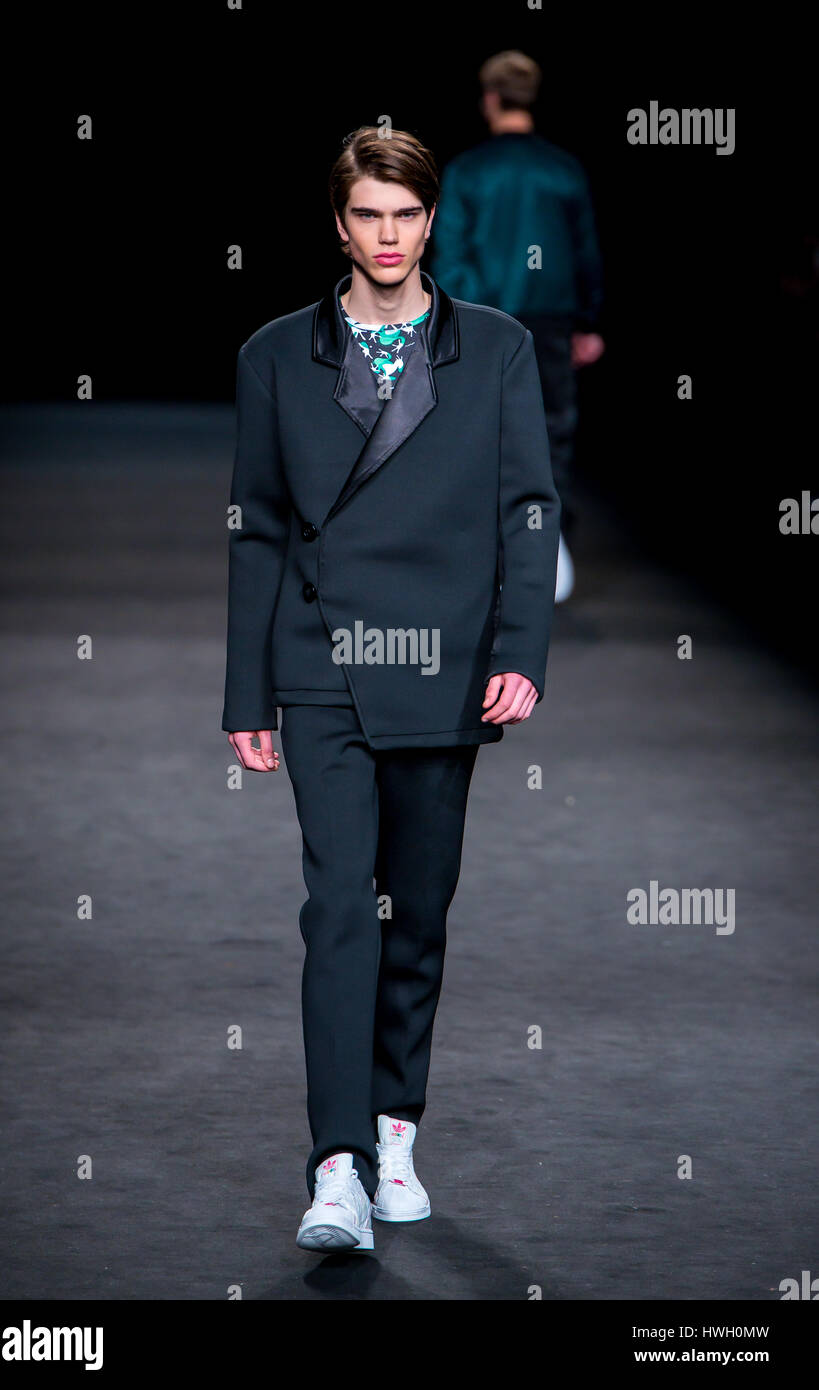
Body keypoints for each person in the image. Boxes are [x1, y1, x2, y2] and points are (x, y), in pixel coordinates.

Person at [221, 126, 560, 1253]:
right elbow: (257, 530)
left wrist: (520, 650)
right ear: (339, 222)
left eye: (404, 215)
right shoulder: (275, 354)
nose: (386, 235)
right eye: (367, 214)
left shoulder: (497, 348)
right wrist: (246, 693)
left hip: (444, 661)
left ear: (428, 223)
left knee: (415, 910)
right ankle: (335, 1166)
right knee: (336, 911)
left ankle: (395, 1124)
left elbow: (527, 505)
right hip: (320, 664)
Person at [430, 50, 605, 601]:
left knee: (479, 431)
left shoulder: (467, 171)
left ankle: (481, 555)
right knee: (551, 432)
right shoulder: (563, 170)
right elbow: (585, 254)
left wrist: (452, 319)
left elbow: (450, 254)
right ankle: (543, 550)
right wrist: (588, 319)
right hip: (551, 320)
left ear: (489, 98)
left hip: (484, 320)